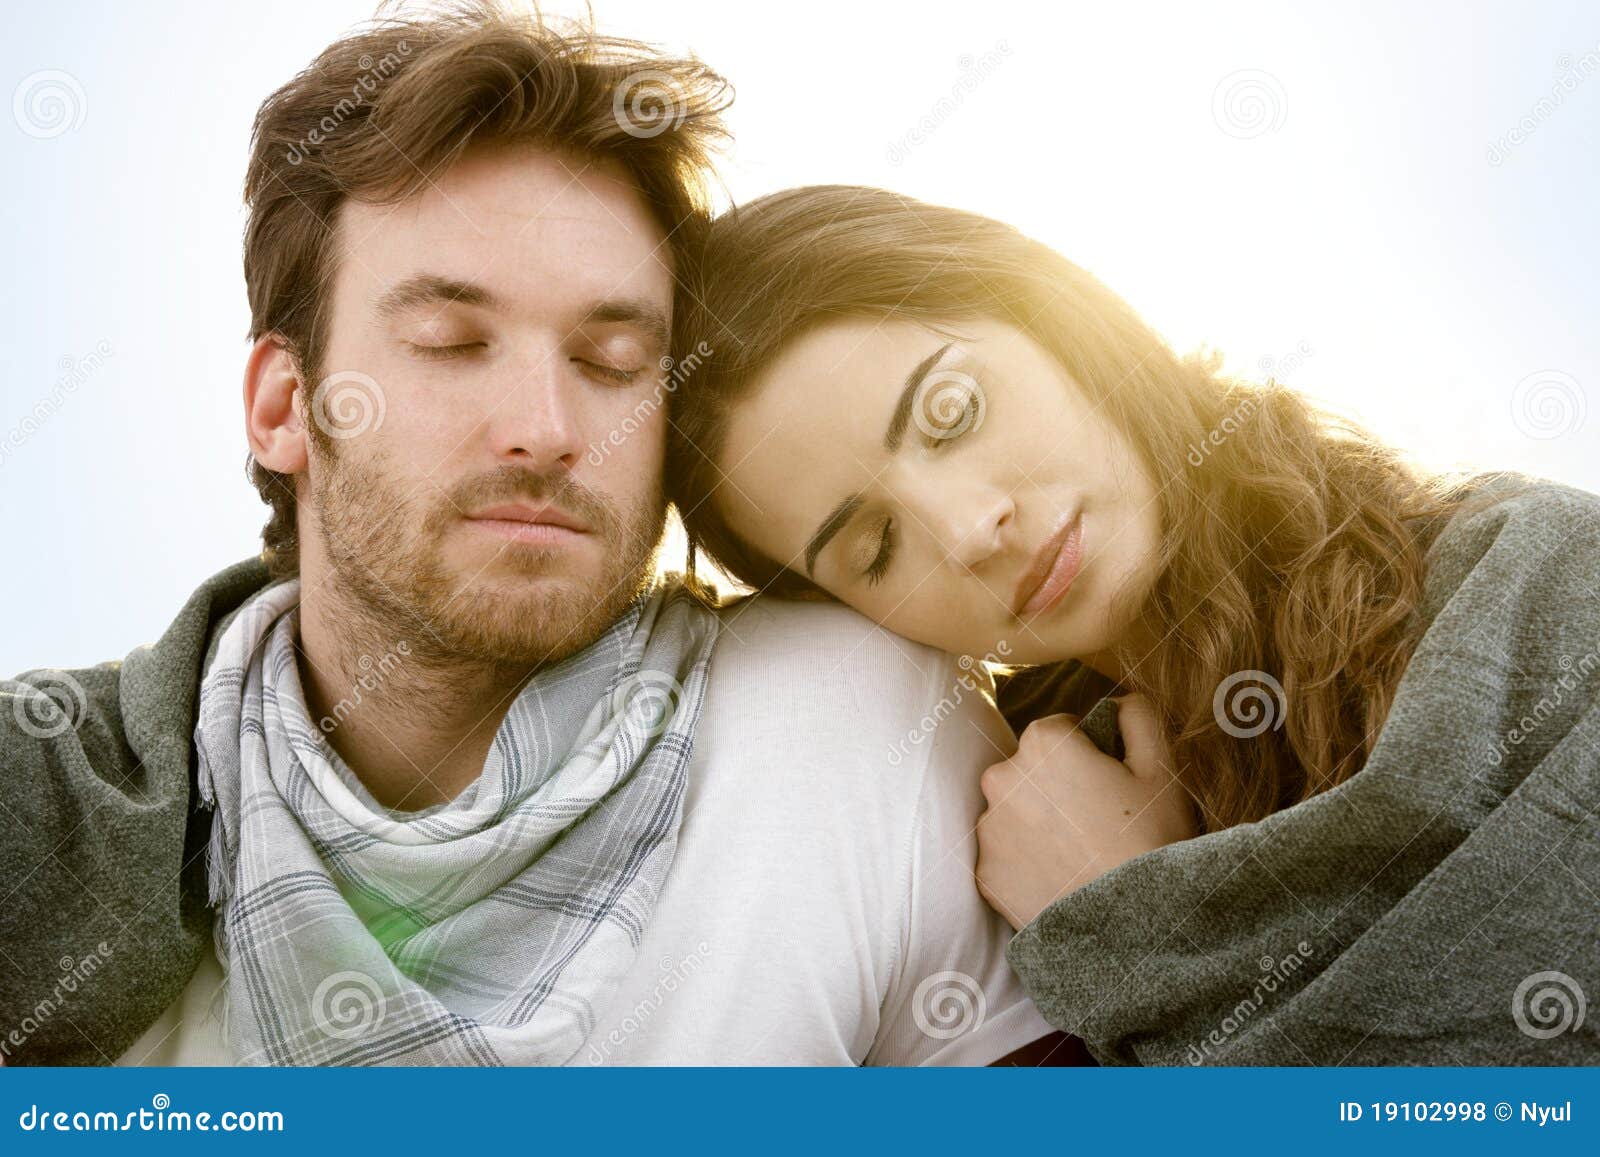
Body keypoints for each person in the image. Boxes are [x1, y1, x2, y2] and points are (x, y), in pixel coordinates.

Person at [0, 11, 1054, 1067]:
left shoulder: (862, 729)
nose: (547, 429)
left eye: (612, 360)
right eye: (450, 343)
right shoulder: (47, 834)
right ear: (283, 406)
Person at [665, 184, 1600, 1064]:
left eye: (953, 411)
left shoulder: (1536, 580)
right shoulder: (1009, 847)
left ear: (1055, 315)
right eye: (874, 546)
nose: (966, 528)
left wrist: (1144, 925)